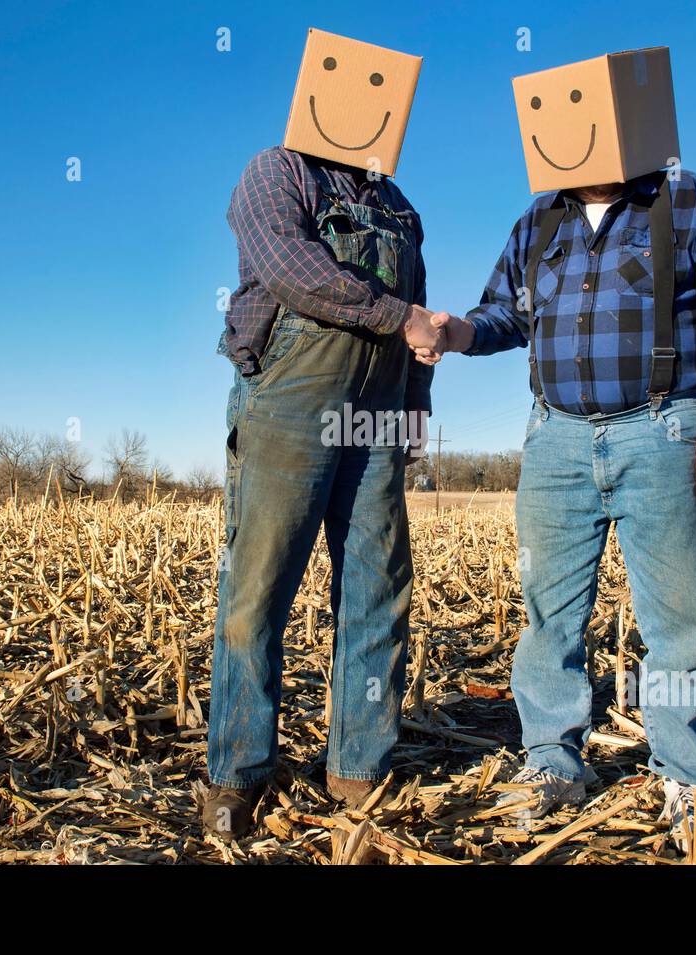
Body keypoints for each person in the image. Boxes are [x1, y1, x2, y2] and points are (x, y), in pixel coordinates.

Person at [413, 169, 696, 851]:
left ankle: (684, 779)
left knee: (679, 617)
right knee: (549, 615)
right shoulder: (542, 218)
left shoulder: (683, 200)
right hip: (556, 441)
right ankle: (552, 764)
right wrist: (453, 332)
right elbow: (506, 314)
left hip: (661, 431)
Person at [203, 140, 447, 839]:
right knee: (257, 588)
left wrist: (416, 403)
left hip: (379, 402)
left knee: (376, 585)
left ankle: (357, 773)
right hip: (291, 395)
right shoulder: (276, 171)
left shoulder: (397, 203)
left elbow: (420, 314)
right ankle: (238, 774)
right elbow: (288, 267)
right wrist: (396, 316)